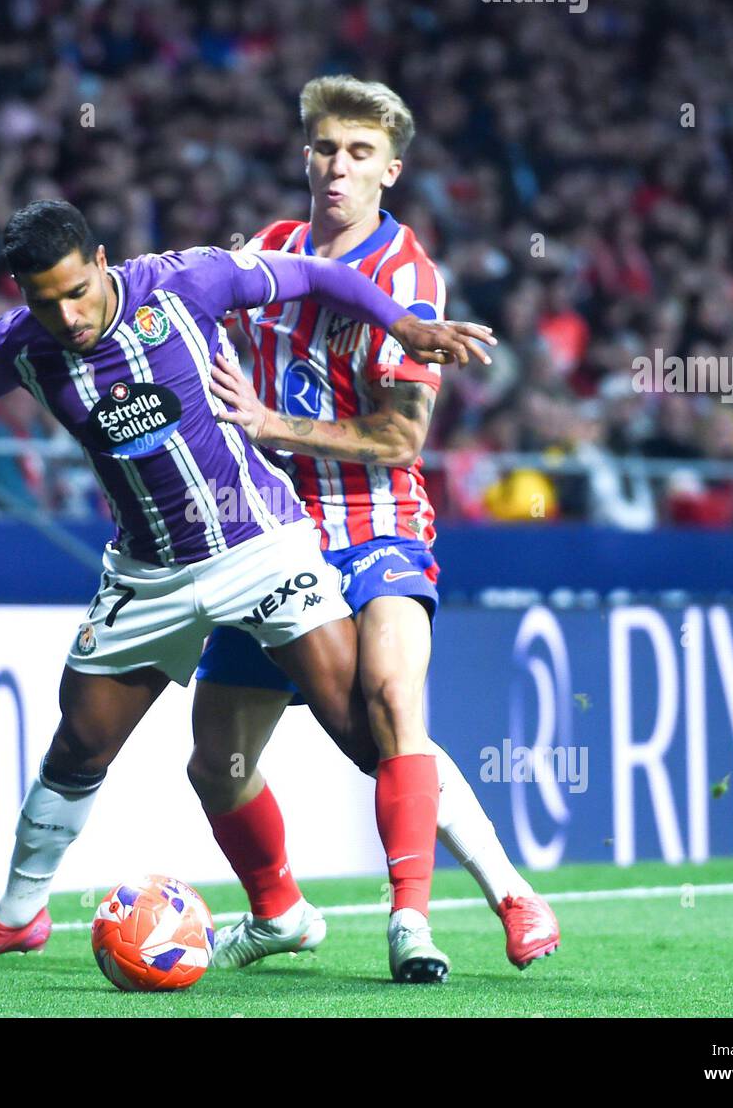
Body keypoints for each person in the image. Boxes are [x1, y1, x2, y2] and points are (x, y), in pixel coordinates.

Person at [0, 199, 493, 979]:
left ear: (101, 260)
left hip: (259, 547)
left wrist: (401, 325)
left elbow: (313, 273)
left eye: (76, 291)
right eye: (44, 300)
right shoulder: (28, 341)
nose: (66, 315)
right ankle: (15, 918)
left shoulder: (185, 283)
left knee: (366, 732)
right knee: (78, 743)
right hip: (150, 572)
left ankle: (448, 906)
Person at [189, 77, 560, 978]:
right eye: (324, 149)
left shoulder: (410, 280)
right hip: (273, 537)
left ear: (390, 170)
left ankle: (412, 924)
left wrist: (272, 426)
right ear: (305, 157)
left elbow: (400, 437)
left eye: (359, 154)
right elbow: (195, 305)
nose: (337, 167)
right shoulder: (271, 250)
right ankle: (281, 912)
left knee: (392, 702)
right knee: (217, 759)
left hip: (376, 523)